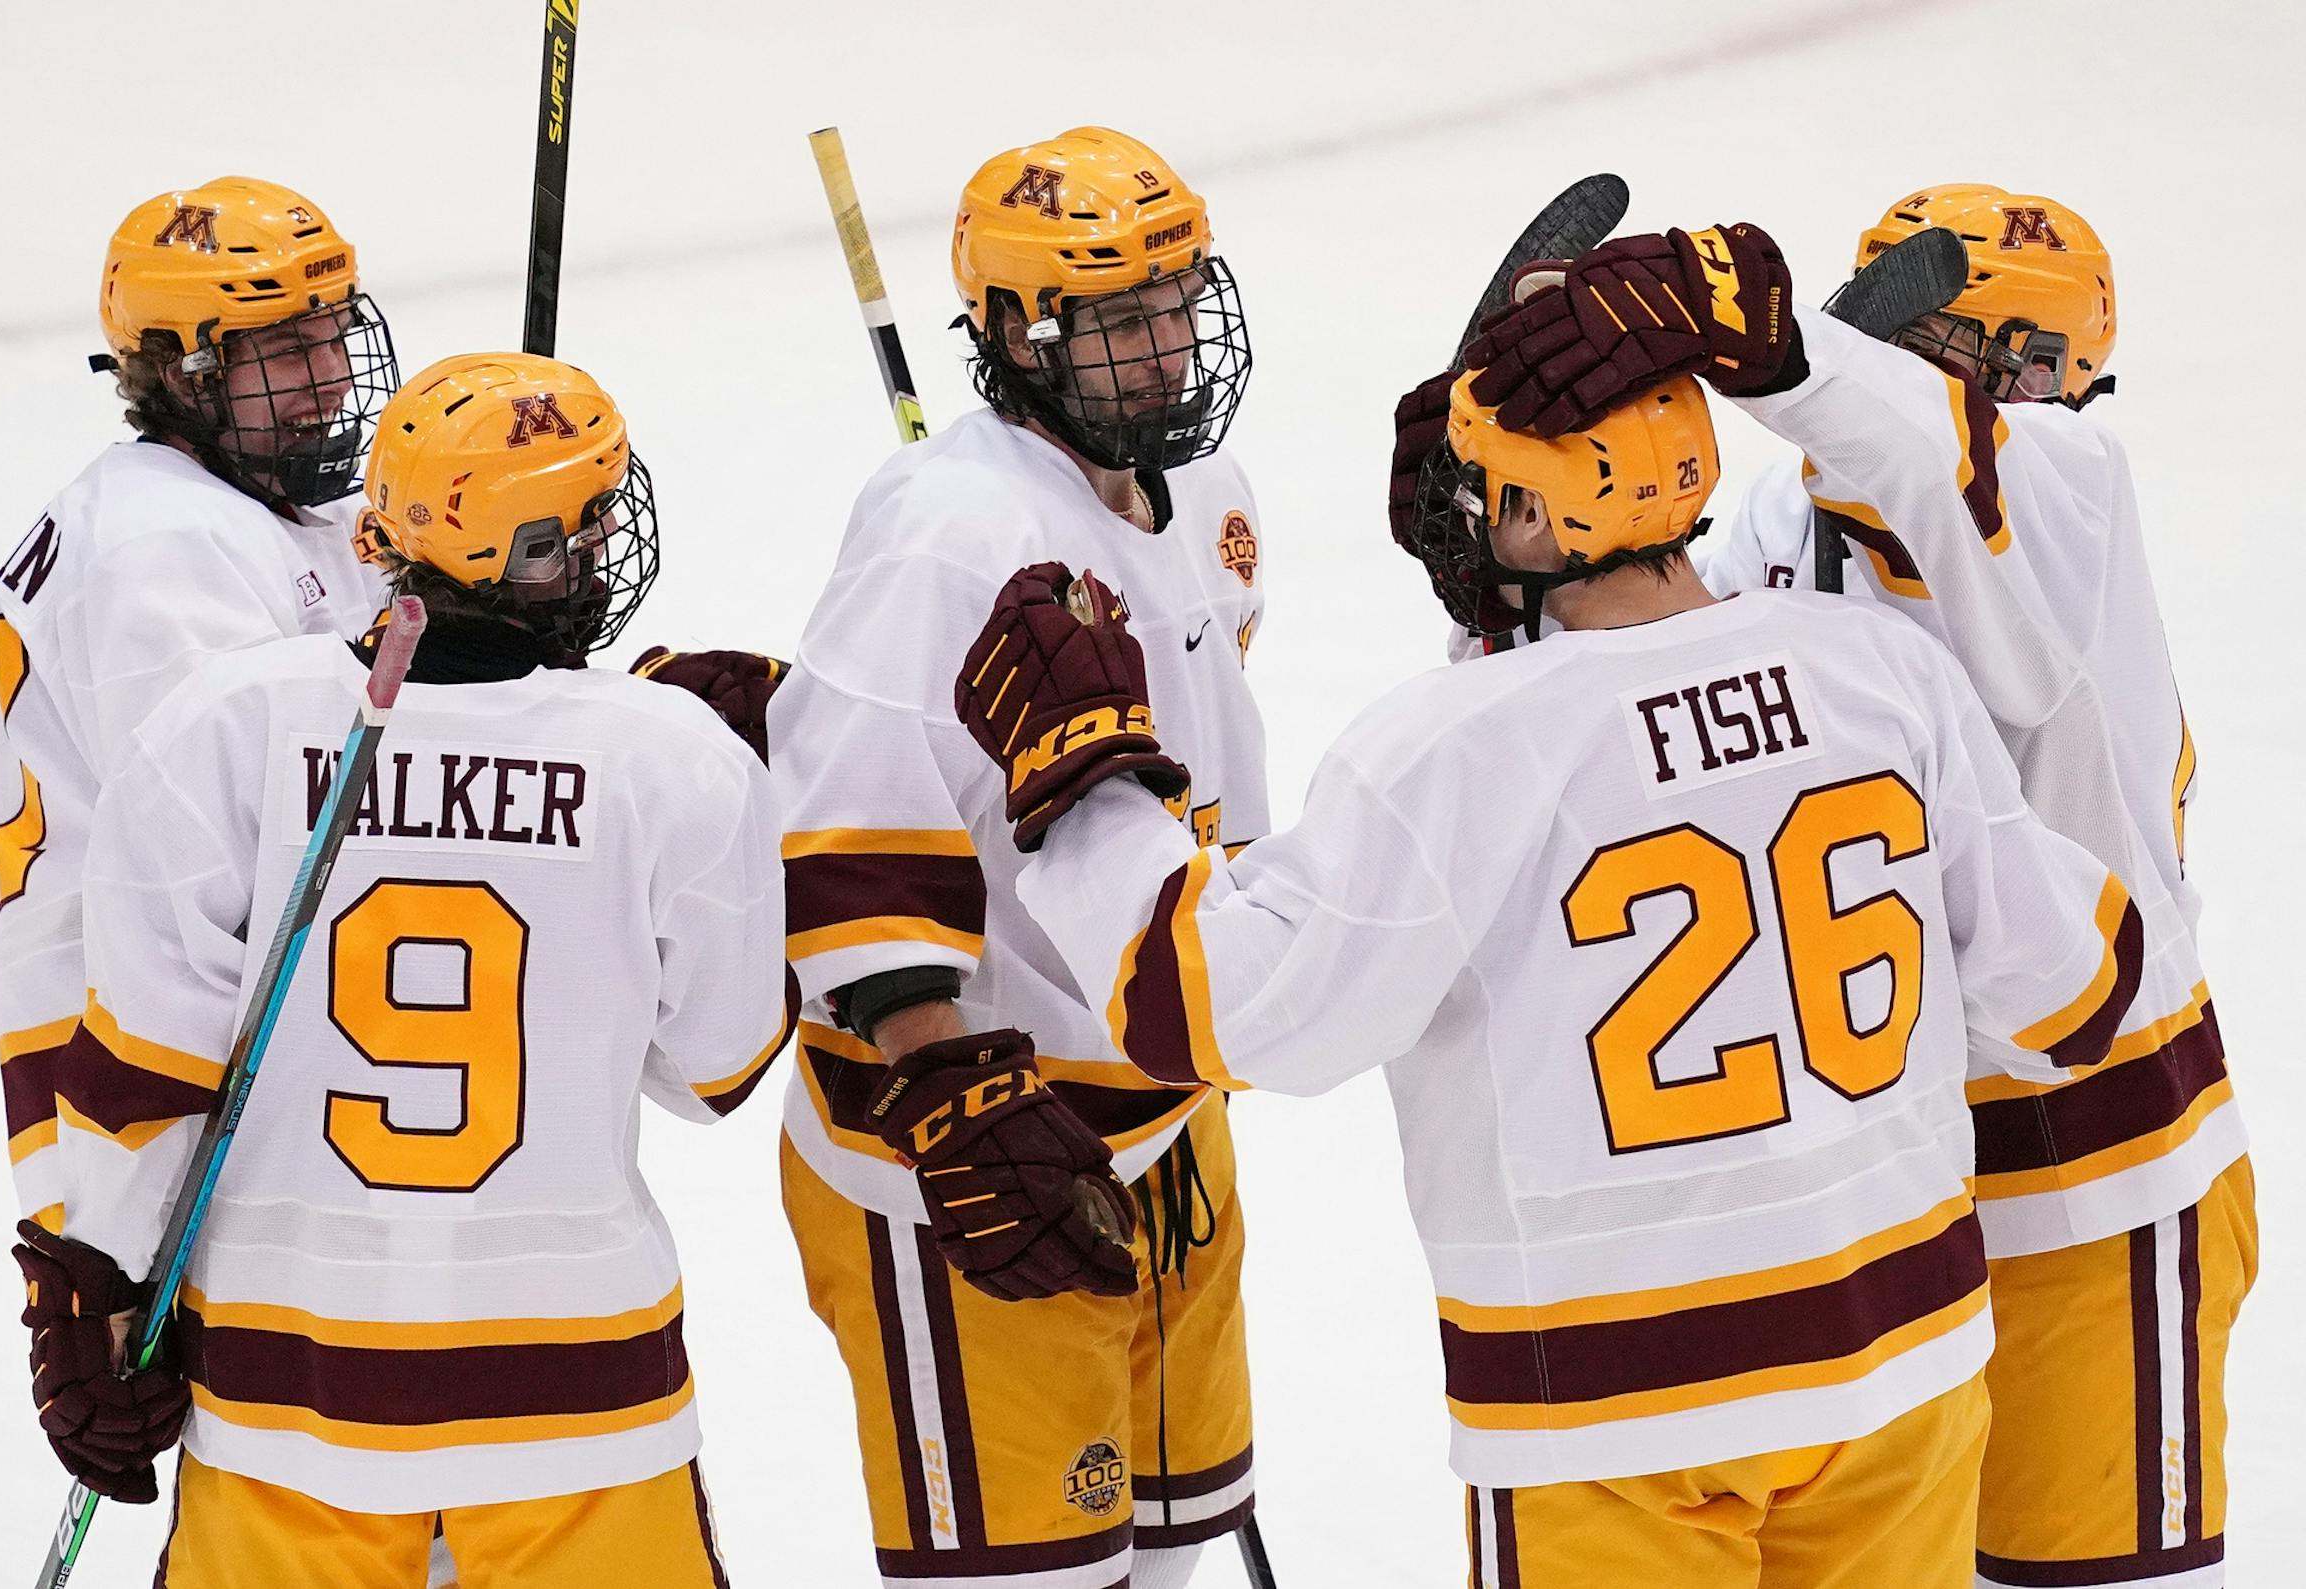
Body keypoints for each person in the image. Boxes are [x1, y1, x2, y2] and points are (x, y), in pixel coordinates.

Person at [963, 366, 2149, 1587]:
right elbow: (2070, 992)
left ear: (1535, 518)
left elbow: (1219, 1008)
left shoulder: (1450, 748)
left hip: (1617, 1400)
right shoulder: (1879, 667)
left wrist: (1097, 797)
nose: (1459, 515)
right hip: (1903, 1364)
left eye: (1481, 492)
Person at [1483, 197, 2253, 1588]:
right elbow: (1609, 688)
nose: (1934, 362)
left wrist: (1786, 361)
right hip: (1890, 1186)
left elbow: (1942, 471)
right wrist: (1514, 509)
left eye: (1957, 336)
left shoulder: (2069, 479)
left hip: (2099, 1160)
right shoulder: (1781, 508)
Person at [9, 352, 794, 1586]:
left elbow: (144, 1061)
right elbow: (718, 1068)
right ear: (539, 554)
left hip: (287, 1401)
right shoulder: (675, 759)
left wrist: (94, 1284)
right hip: (581, 1409)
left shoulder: (225, 722)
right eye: (580, 525)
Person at [767, 126, 1265, 1589]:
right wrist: (948, 1087)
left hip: (1166, 1121)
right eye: (1121, 322)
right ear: (1010, 333)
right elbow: (836, 825)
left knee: (1166, 1550)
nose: (1168, 350)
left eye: (1181, 304)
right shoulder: (948, 533)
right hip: (984, 1151)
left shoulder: (1210, 484)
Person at [0, 176, 396, 1234]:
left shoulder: (280, 503)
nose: (328, 378)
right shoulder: (163, 546)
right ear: (183, 371)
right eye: (286, 352)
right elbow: (235, 847)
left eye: (332, 334)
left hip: (218, 1033)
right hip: (138, 1077)